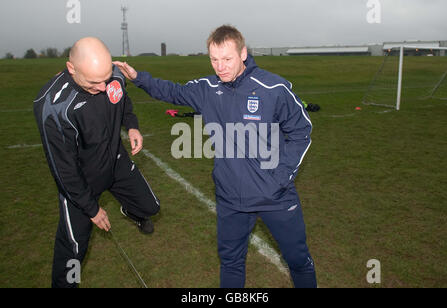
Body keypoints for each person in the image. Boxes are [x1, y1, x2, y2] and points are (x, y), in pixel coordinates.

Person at [114, 25, 317, 288]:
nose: (220, 67)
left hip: (275, 197)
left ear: (243, 53)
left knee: (298, 259)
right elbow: (172, 91)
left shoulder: (273, 88)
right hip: (230, 197)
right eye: (214, 59)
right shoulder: (207, 89)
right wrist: (138, 77)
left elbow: (302, 131)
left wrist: (280, 178)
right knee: (231, 262)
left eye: (227, 59)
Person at [33, 37, 160, 288]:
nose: (103, 87)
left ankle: (130, 211)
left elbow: (121, 99)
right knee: (74, 249)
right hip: (82, 180)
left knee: (150, 207)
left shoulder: (111, 75)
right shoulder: (53, 107)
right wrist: (91, 209)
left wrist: (131, 126)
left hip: (115, 160)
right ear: (71, 69)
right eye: (94, 82)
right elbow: (64, 170)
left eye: (106, 79)